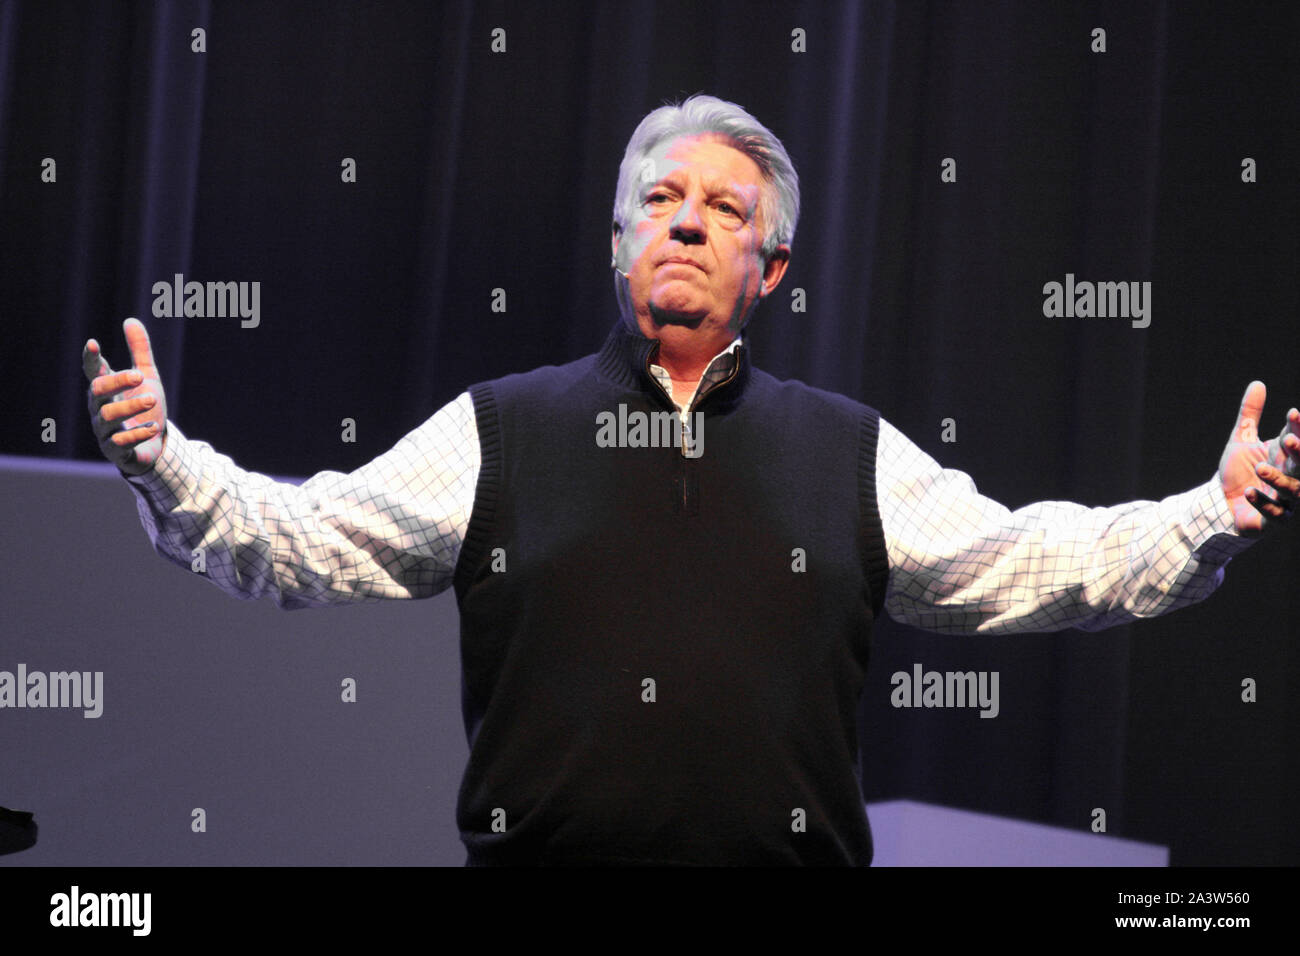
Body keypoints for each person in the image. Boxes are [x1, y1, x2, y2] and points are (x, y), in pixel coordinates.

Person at [83, 95, 1299, 866]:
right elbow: (295, 541)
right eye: (657, 201)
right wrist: (162, 460)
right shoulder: (499, 430)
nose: (684, 222)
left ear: (769, 267)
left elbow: (1039, 562)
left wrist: (1212, 513)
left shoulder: (852, 450)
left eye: (723, 209)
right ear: (616, 245)